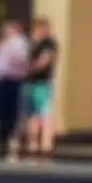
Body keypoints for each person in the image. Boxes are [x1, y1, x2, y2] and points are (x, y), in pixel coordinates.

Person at [0, 20, 29, 161]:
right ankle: (5, 139)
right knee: (2, 111)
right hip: (2, 80)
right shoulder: (3, 43)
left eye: (7, 29)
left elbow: (21, 60)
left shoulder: (19, 43)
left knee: (12, 112)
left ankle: (14, 142)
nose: (4, 31)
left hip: (13, 80)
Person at [22, 16, 59, 159]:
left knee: (44, 113)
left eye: (40, 28)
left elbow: (45, 60)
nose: (37, 31)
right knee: (32, 114)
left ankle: (45, 144)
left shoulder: (49, 43)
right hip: (30, 83)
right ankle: (32, 144)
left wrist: (29, 69)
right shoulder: (32, 44)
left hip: (42, 83)